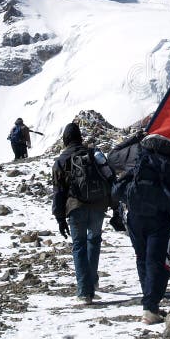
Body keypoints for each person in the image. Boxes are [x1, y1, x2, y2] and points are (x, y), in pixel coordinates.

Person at [112, 134, 170, 324]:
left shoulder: (136, 152)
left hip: (135, 214)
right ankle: (150, 306)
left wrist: (133, 138)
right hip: (161, 215)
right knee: (157, 260)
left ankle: (148, 301)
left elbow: (112, 157)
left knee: (142, 257)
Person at [52, 122, 117, 304]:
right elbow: (109, 177)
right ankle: (92, 281)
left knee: (79, 245)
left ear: (65, 139)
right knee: (94, 241)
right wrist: (114, 206)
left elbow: (58, 192)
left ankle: (84, 292)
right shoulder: (93, 154)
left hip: (75, 208)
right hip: (98, 205)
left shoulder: (61, 161)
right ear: (80, 137)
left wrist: (59, 218)